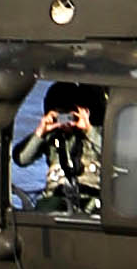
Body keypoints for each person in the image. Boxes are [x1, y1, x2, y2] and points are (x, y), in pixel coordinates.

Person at [25, 77, 101, 212]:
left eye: (70, 114)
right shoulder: (50, 137)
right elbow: (21, 159)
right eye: (60, 114)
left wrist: (88, 129)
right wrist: (40, 133)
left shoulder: (97, 135)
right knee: (47, 208)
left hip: (91, 197)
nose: (66, 120)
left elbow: (114, 156)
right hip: (56, 197)